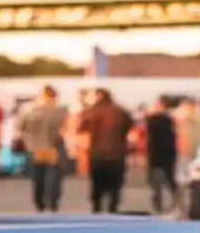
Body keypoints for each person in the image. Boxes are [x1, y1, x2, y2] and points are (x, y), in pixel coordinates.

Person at [78, 88, 134, 213]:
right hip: (117, 153)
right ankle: (113, 207)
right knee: (115, 185)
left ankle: (96, 207)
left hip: (98, 153)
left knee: (97, 183)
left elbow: (82, 129)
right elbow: (130, 126)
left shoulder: (91, 112)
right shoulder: (121, 111)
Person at [19, 85, 69, 213]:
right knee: (54, 178)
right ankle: (53, 203)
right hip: (54, 148)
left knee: (38, 178)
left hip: (35, 149)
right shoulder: (62, 111)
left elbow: (21, 128)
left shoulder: (31, 112)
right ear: (55, 97)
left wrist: (29, 142)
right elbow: (67, 129)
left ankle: (39, 204)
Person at [144, 97, 179, 215]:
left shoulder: (152, 120)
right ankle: (174, 201)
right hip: (168, 154)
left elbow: (150, 137)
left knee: (156, 182)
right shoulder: (169, 120)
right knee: (168, 179)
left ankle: (159, 204)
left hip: (156, 154)